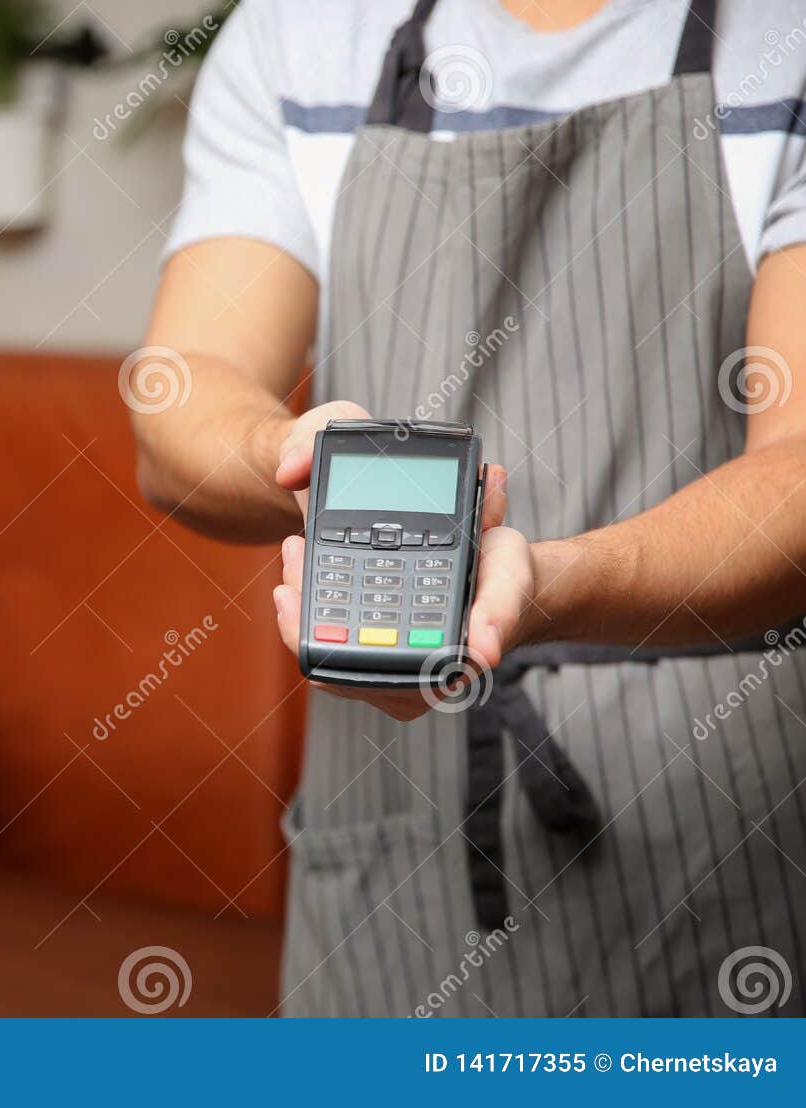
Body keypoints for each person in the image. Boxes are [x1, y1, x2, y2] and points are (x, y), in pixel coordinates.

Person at [132, 0, 806, 1015]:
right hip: (387, 838)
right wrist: (288, 453)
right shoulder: (301, 33)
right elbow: (182, 392)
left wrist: (553, 584)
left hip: (718, 844)